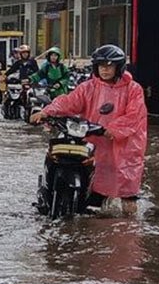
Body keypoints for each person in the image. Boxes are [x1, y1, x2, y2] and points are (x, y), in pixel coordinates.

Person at [30, 45, 147, 216]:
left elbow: (134, 115)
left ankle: (128, 231)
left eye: (109, 66)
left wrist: (111, 130)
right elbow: (69, 102)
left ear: (118, 67)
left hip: (123, 147)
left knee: (127, 196)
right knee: (94, 191)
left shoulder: (133, 89)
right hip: (94, 141)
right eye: (101, 66)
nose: (105, 70)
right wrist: (46, 111)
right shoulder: (88, 87)